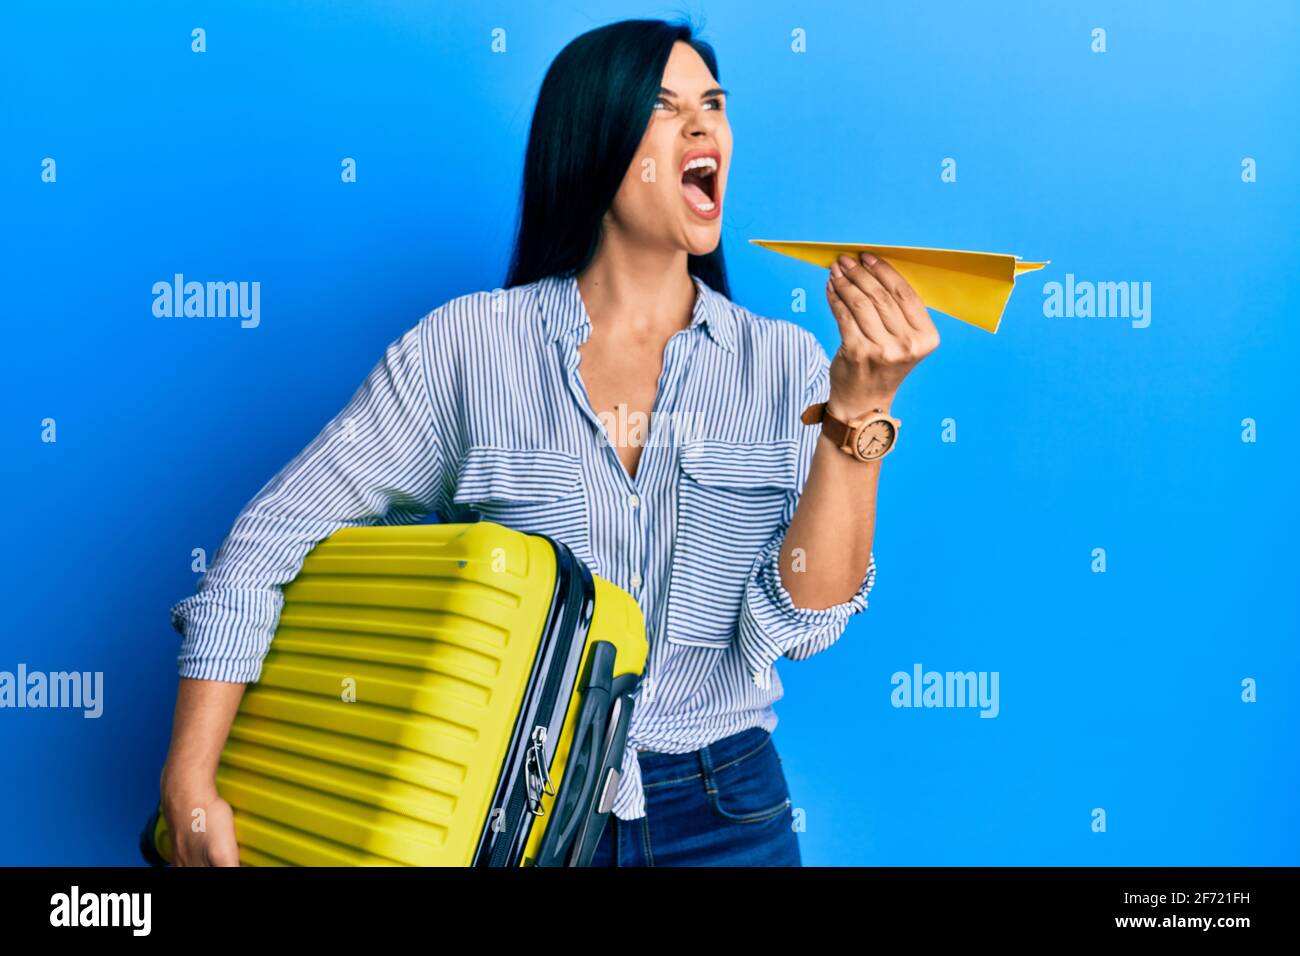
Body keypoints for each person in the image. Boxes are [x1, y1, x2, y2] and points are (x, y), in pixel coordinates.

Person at [159, 17, 939, 867]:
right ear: (595, 143)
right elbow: (270, 540)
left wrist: (859, 412)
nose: (704, 124)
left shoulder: (782, 362)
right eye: (665, 106)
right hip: (514, 816)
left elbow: (810, 614)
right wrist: (191, 783)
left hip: (728, 811)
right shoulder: (469, 348)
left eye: (713, 105)